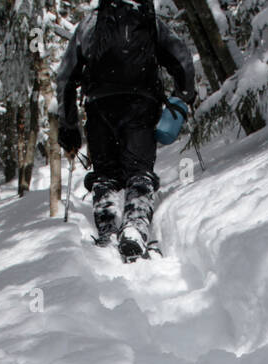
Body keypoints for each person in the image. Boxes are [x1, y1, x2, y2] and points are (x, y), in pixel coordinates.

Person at [56, 0, 195, 259]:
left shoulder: (90, 23)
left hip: (100, 106)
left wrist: (69, 125)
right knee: (139, 170)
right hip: (141, 102)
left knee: (105, 173)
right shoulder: (149, 20)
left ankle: (108, 230)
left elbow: (65, 76)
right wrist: (184, 96)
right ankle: (135, 226)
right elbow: (180, 55)